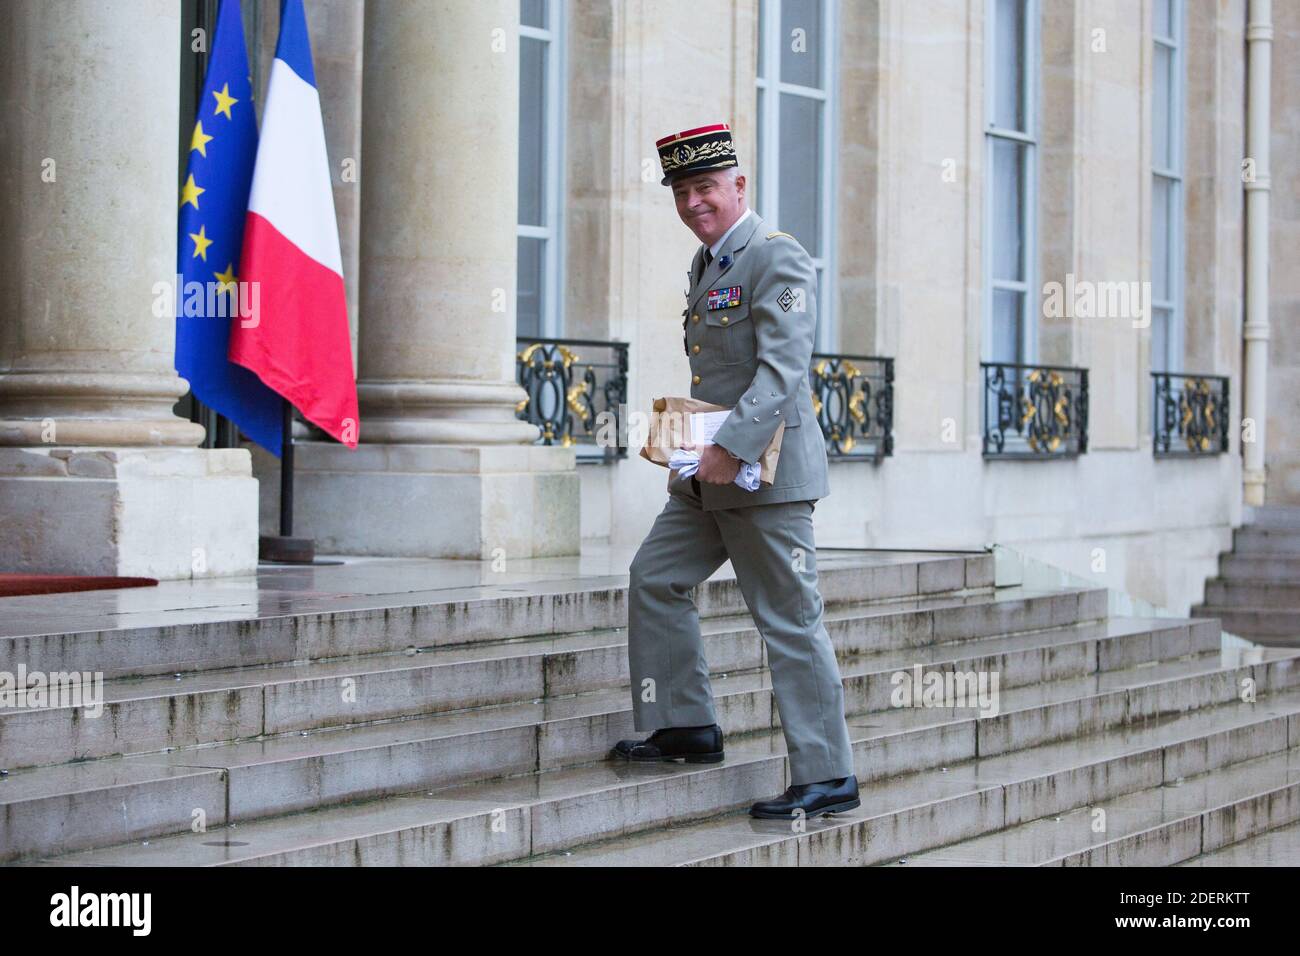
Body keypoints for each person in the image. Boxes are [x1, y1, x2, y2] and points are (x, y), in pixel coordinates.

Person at [611, 122, 860, 820]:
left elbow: (784, 371)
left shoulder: (776, 258)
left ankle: (828, 773)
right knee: (654, 577)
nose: (694, 203)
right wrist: (697, 451)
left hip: (765, 477)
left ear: (738, 187)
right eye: (683, 192)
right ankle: (685, 725)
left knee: (788, 620)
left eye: (707, 188)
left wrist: (734, 447)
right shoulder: (709, 263)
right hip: (708, 472)